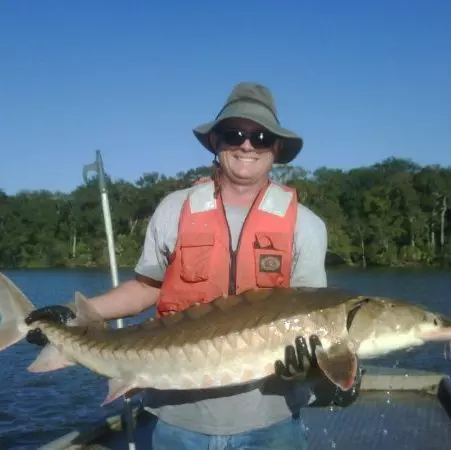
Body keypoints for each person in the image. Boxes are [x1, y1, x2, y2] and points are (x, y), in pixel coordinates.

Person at [25, 82, 361, 449]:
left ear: (276, 147)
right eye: (234, 134)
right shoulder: (175, 208)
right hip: (177, 422)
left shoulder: (305, 224)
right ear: (216, 143)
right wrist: (71, 314)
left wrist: (309, 364)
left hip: (272, 420)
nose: (246, 145)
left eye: (260, 136)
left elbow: (314, 314)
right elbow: (146, 287)